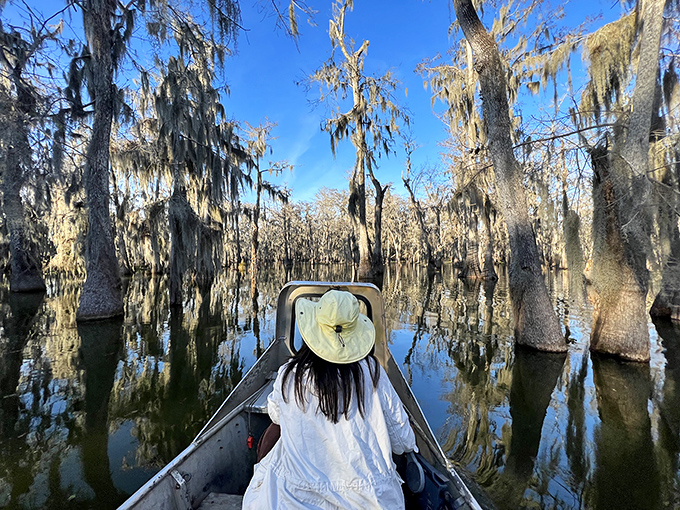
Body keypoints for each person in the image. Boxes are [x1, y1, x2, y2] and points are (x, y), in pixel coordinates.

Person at [242, 289, 418, 509]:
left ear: (313, 330)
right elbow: (403, 443)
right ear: (355, 334)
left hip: (294, 500)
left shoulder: (290, 374)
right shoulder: (373, 372)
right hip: (370, 501)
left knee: (273, 443)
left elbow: (276, 414)